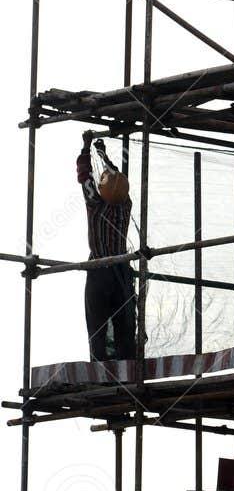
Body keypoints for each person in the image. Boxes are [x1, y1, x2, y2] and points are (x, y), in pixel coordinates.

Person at [77, 132, 136, 370]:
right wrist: (103, 154)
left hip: (100, 271)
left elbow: (85, 177)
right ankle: (127, 366)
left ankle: (99, 369)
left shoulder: (95, 207)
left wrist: (86, 147)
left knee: (97, 324)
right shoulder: (125, 207)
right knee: (123, 325)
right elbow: (118, 182)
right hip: (122, 272)